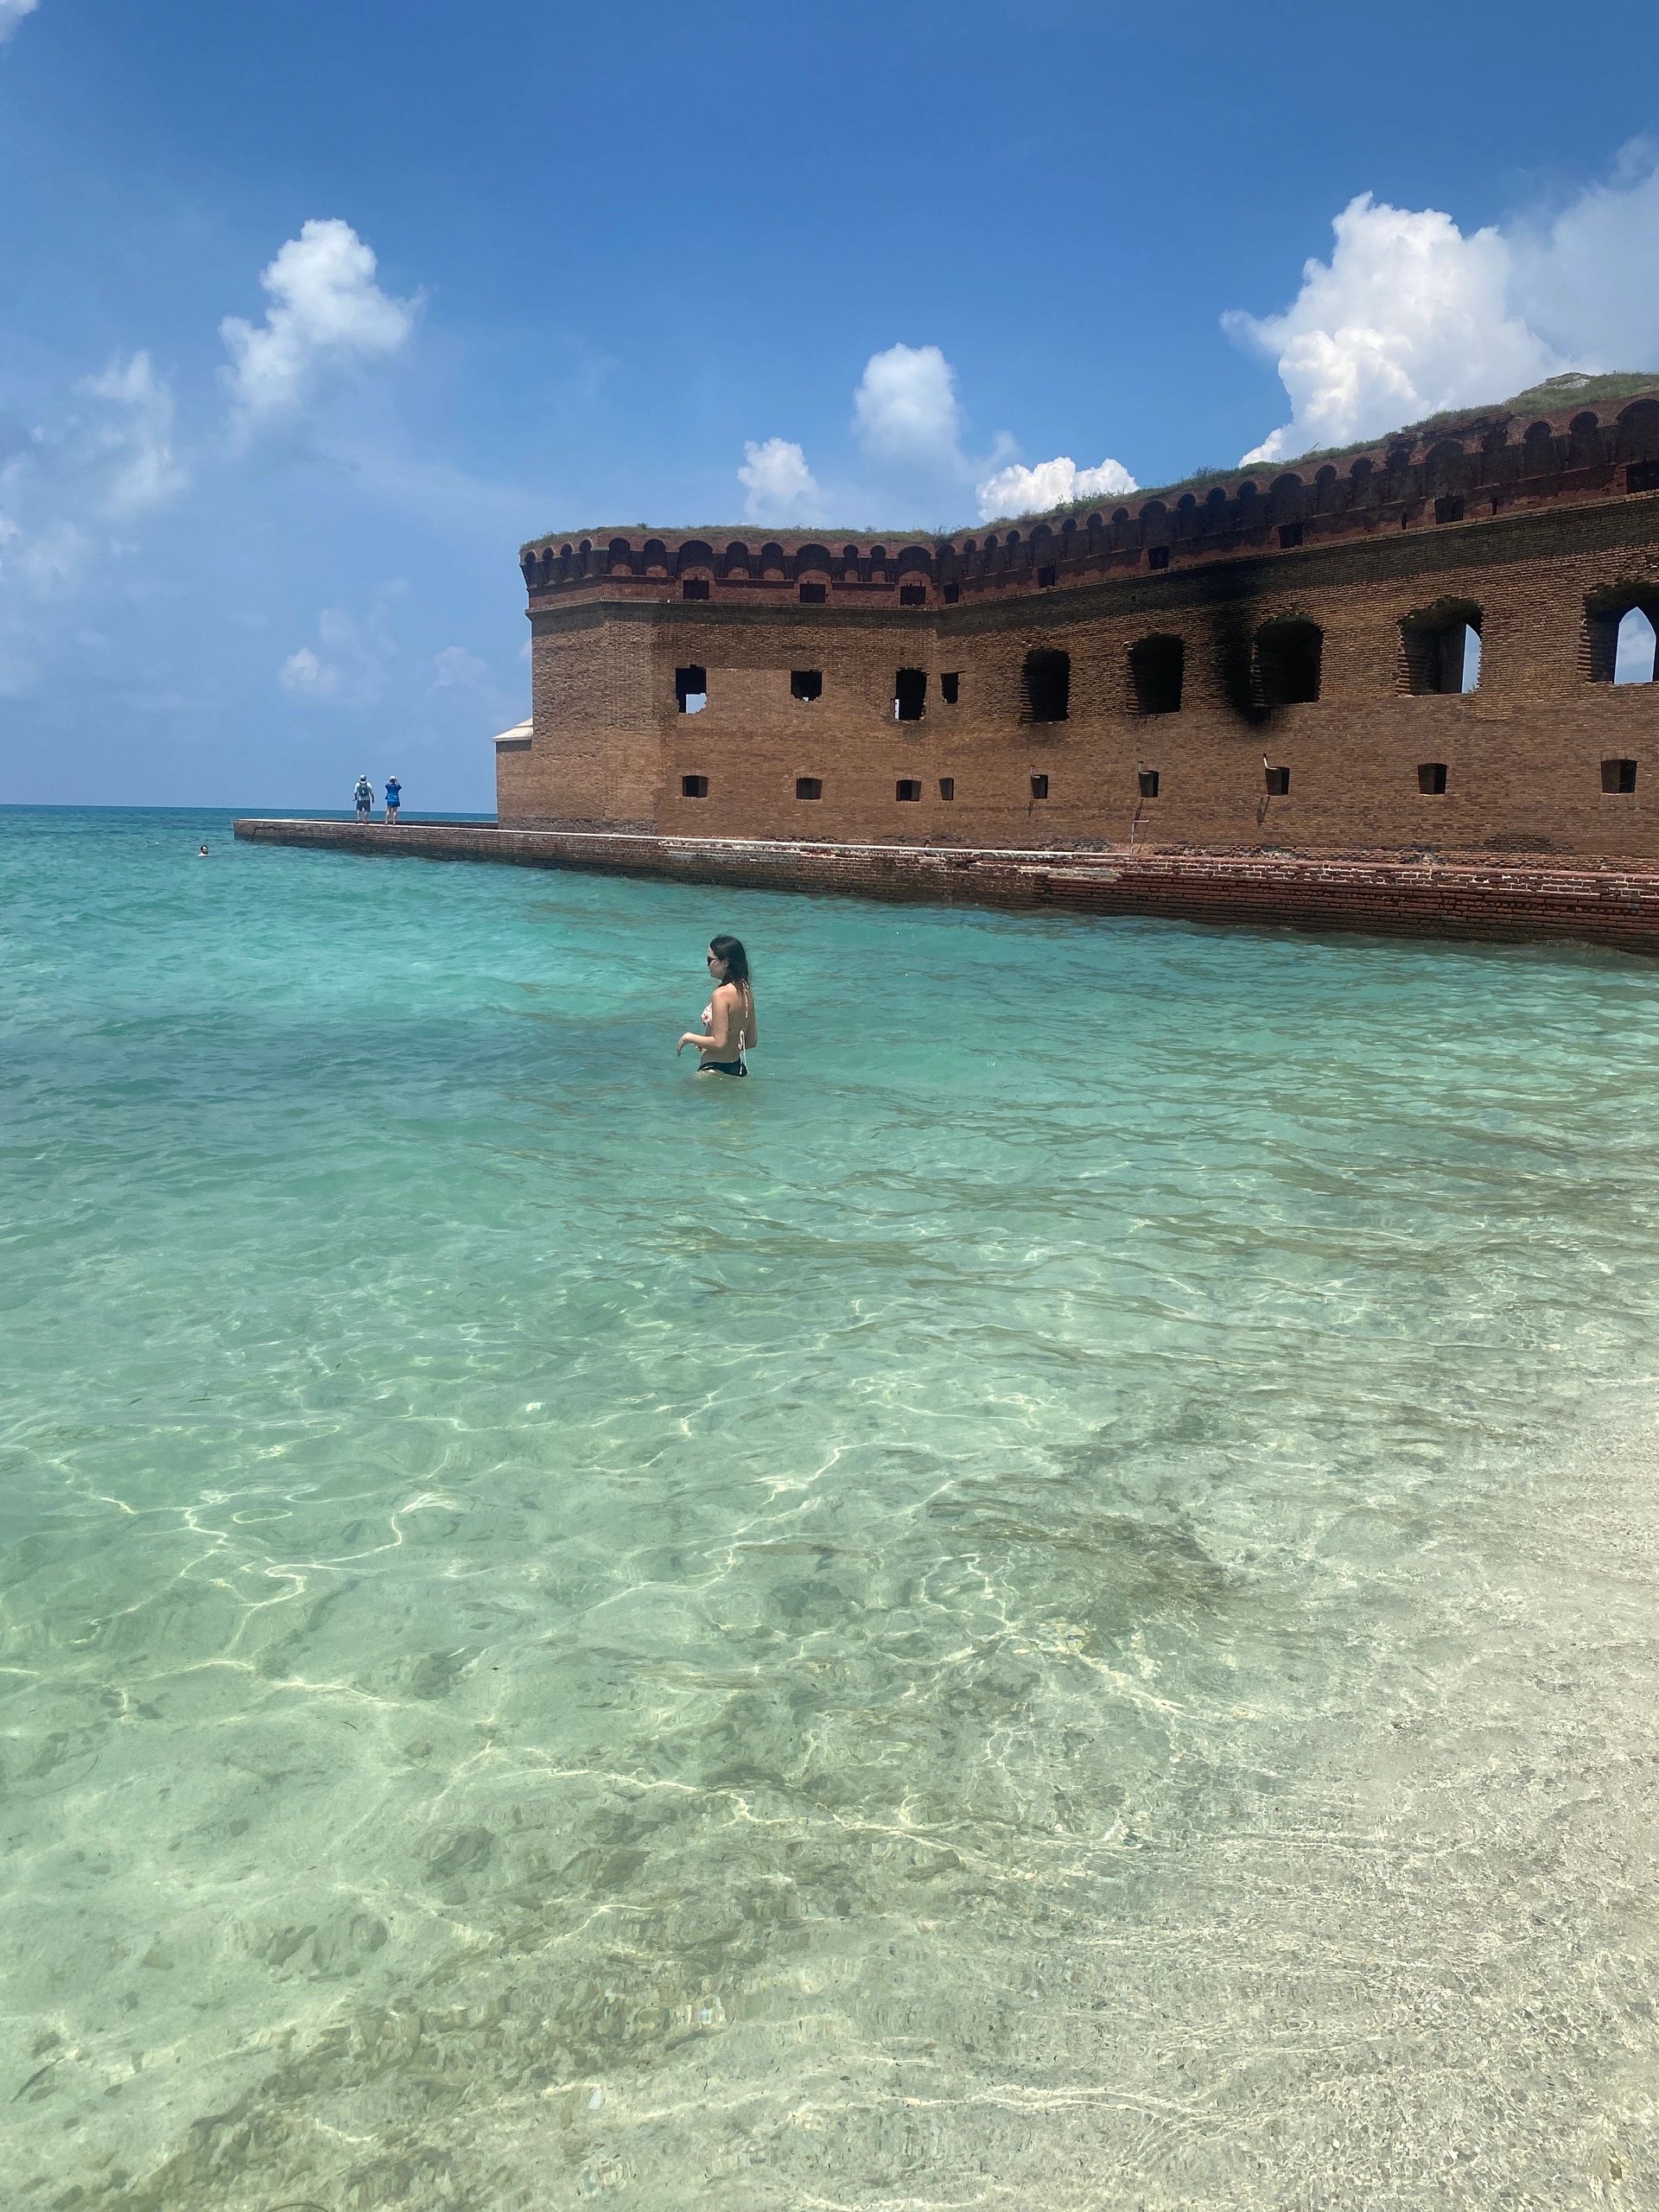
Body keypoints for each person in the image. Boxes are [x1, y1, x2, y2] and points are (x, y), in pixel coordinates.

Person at [677, 934, 756, 1077]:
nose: (707, 965)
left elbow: (719, 1042)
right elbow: (750, 1041)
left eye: (710, 960)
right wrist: (708, 1041)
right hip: (738, 1068)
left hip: (714, 1068)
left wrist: (688, 1038)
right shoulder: (745, 990)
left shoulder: (721, 994)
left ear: (725, 962)